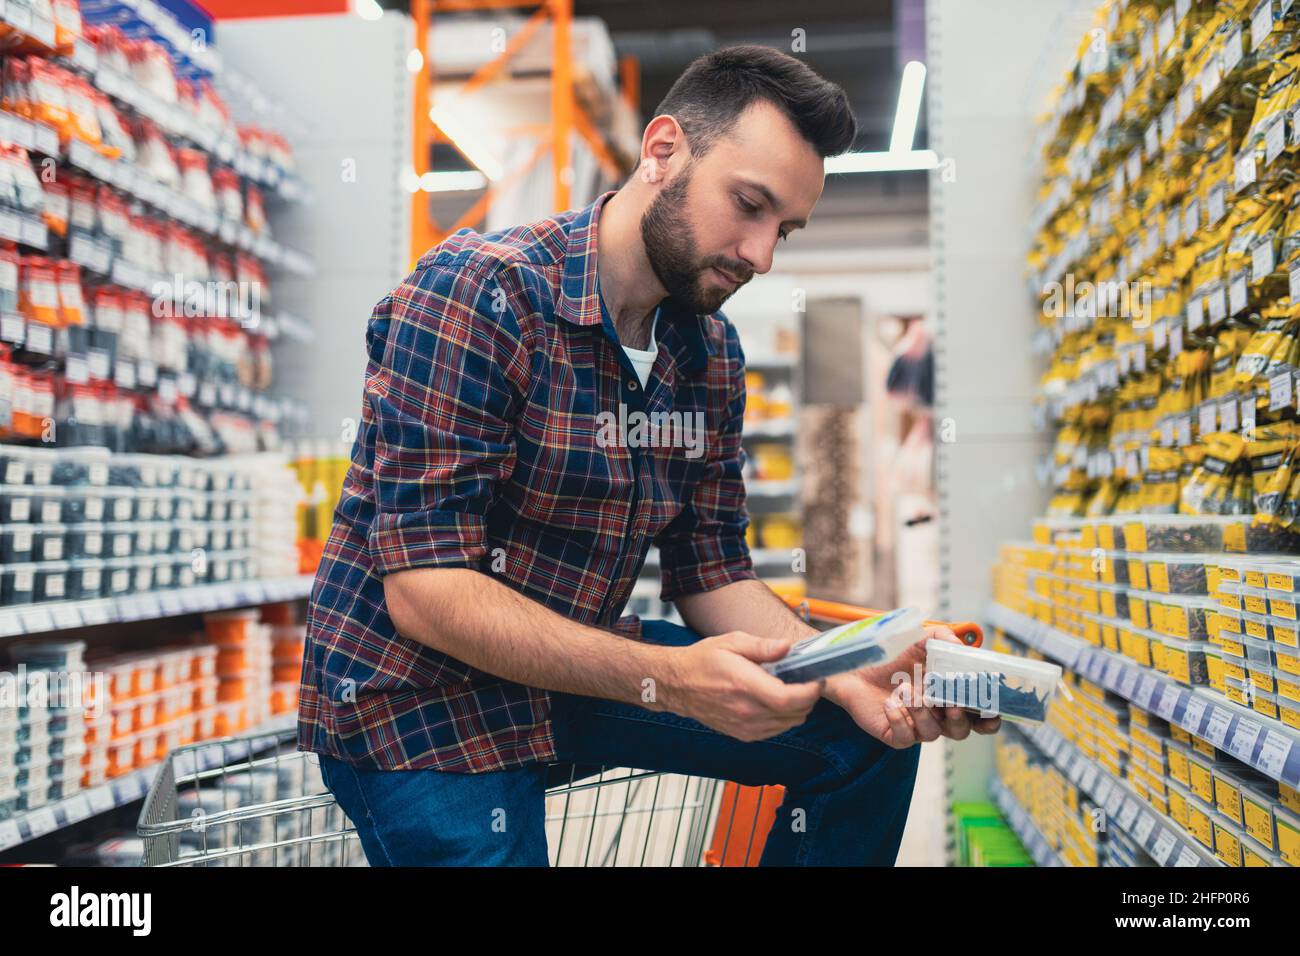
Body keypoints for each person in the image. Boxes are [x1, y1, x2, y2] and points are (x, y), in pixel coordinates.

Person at [298, 44, 1000, 867]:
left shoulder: (710, 355)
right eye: (749, 204)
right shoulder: (476, 295)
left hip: (571, 674)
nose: (762, 254)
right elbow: (424, 590)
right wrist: (670, 681)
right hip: (420, 699)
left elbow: (711, 573)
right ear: (663, 151)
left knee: (863, 737)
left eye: (786, 229)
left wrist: (844, 672)